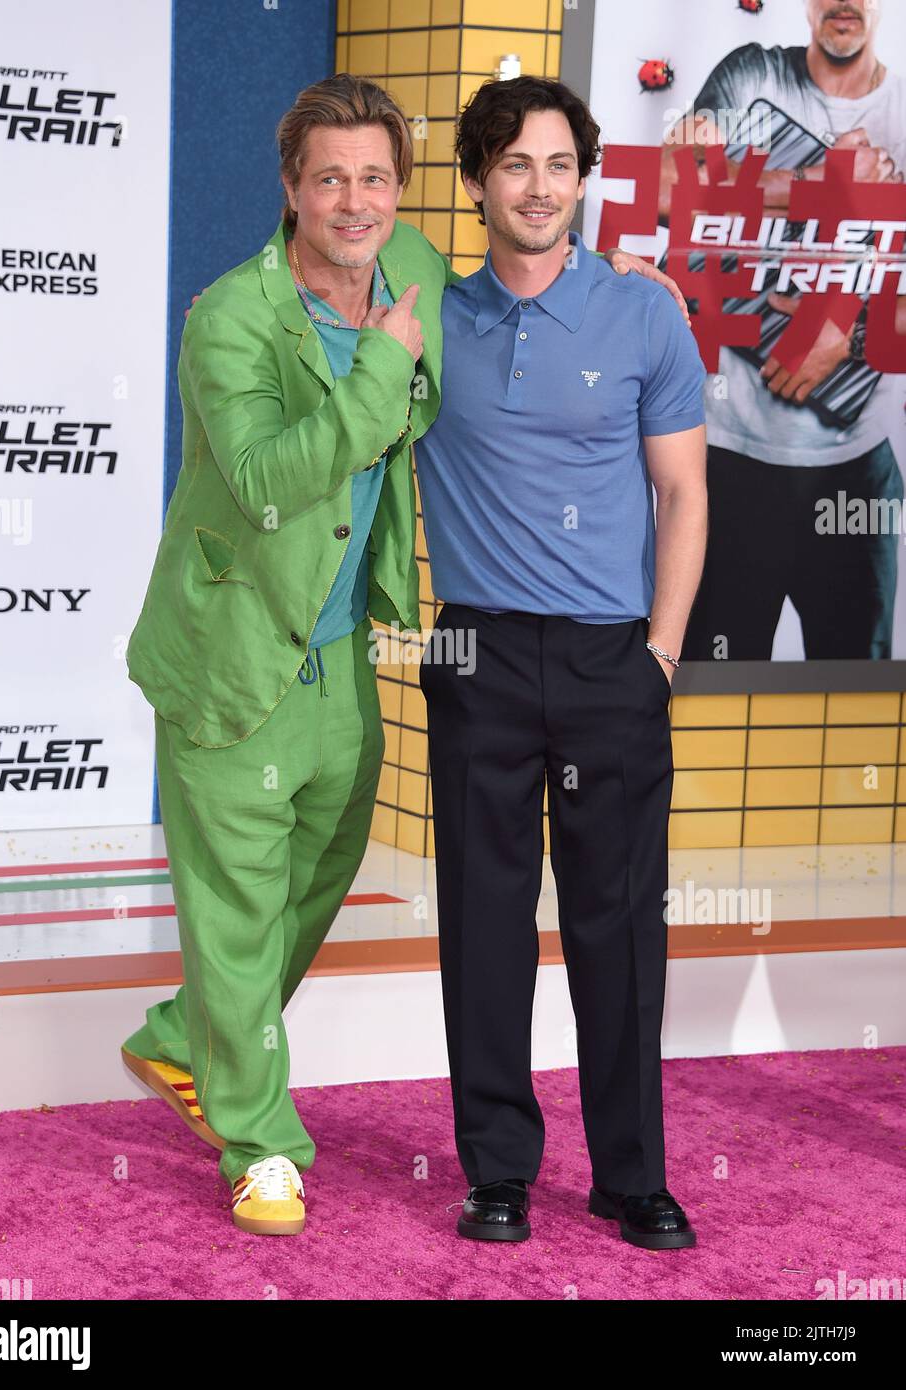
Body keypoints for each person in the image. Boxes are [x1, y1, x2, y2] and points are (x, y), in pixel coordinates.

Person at [121, 73, 681, 1236]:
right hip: (314, 652)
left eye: (377, 177)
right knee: (346, 915)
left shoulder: (457, 281)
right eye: (330, 177)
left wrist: (630, 278)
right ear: (291, 190)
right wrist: (383, 365)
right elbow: (274, 480)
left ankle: (631, 1176)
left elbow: (671, 469)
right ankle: (323, 1153)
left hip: (459, 661)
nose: (356, 200)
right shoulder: (281, 313)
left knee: (360, 893)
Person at [414, 75, 708, 1249]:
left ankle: (630, 1173)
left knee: (619, 926)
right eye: (514, 165)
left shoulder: (644, 314)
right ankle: (498, 1171)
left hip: (610, 666)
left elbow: (683, 492)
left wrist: (661, 657)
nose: (538, 187)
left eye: (557, 164)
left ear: (583, 179)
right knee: (484, 925)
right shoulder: (427, 310)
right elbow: (319, 260)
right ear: (477, 180)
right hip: (474, 648)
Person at [660, 0, 906, 659]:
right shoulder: (753, 78)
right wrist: (821, 183)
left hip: (855, 472)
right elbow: (664, 188)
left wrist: (844, 332)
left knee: (857, 704)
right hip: (730, 463)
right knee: (711, 692)